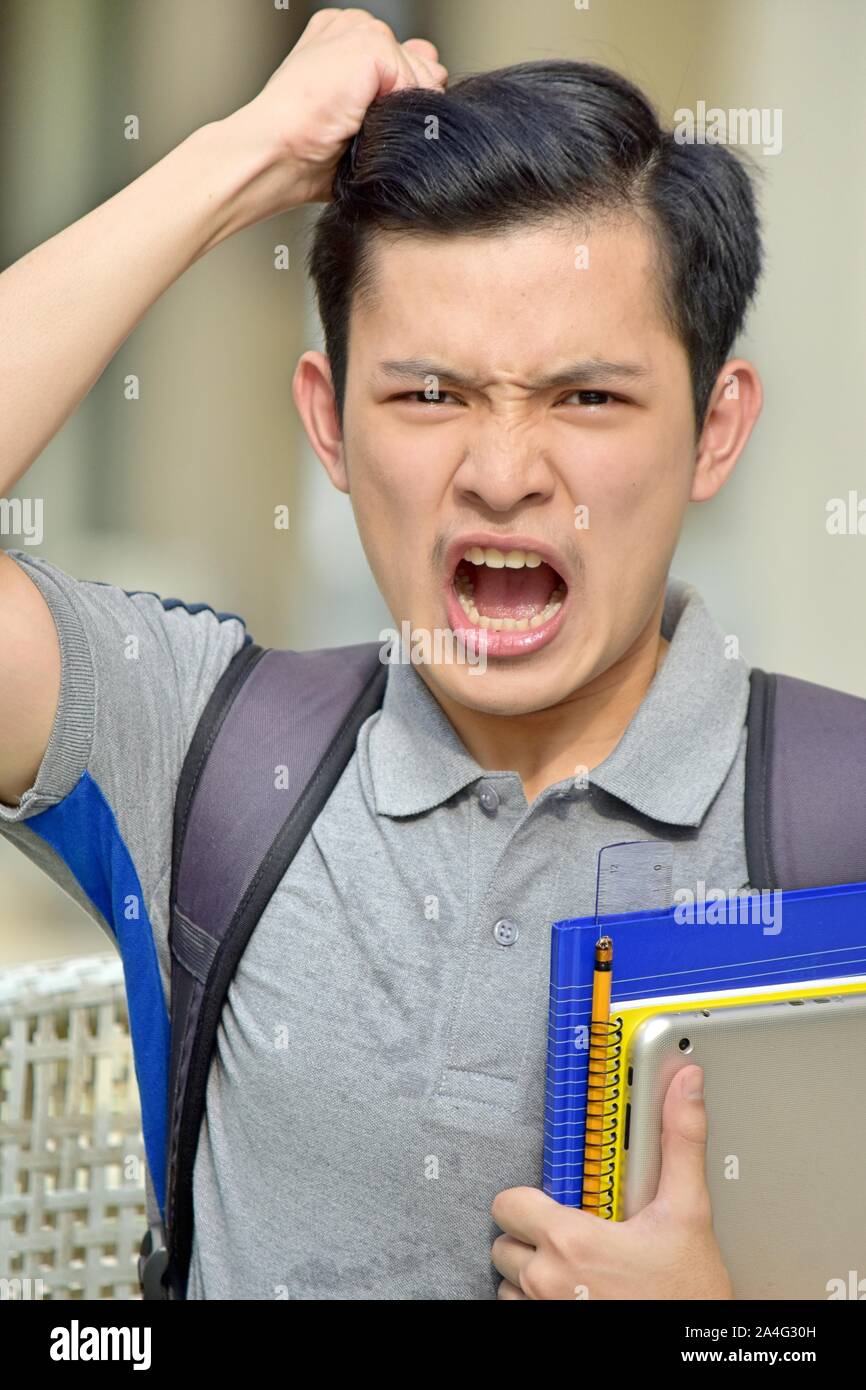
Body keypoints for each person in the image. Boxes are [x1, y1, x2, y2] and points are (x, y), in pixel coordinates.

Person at [0, 7, 768, 1299]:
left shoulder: (835, 814)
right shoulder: (199, 745)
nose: (504, 474)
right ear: (329, 423)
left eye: (586, 396)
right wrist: (241, 157)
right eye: (428, 393)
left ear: (711, 428)